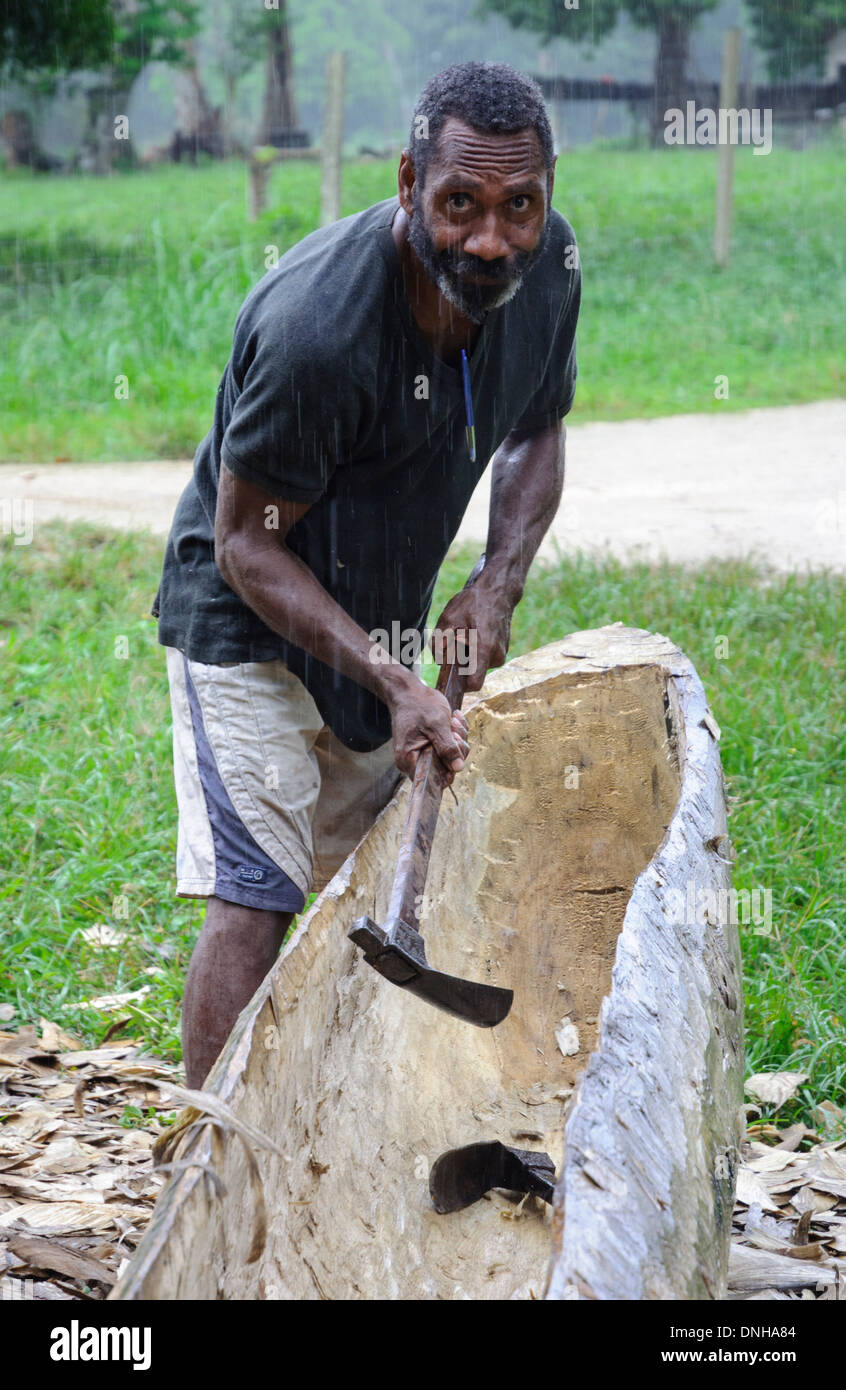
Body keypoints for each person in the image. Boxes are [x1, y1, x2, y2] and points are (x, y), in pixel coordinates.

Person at [151, 60, 581, 1087]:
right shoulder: (320, 331)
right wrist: (397, 682)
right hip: (245, 620)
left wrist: (496, 584)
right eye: (460, 205)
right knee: (259, 888)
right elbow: (248, 539)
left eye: (519, 206)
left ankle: (341, 1139)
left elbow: (538, 427)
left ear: (548, 195)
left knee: (370, 890)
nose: (491, 240)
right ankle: (215, 1172)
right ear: (406, 185)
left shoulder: (548, 271)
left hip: (378, 621)